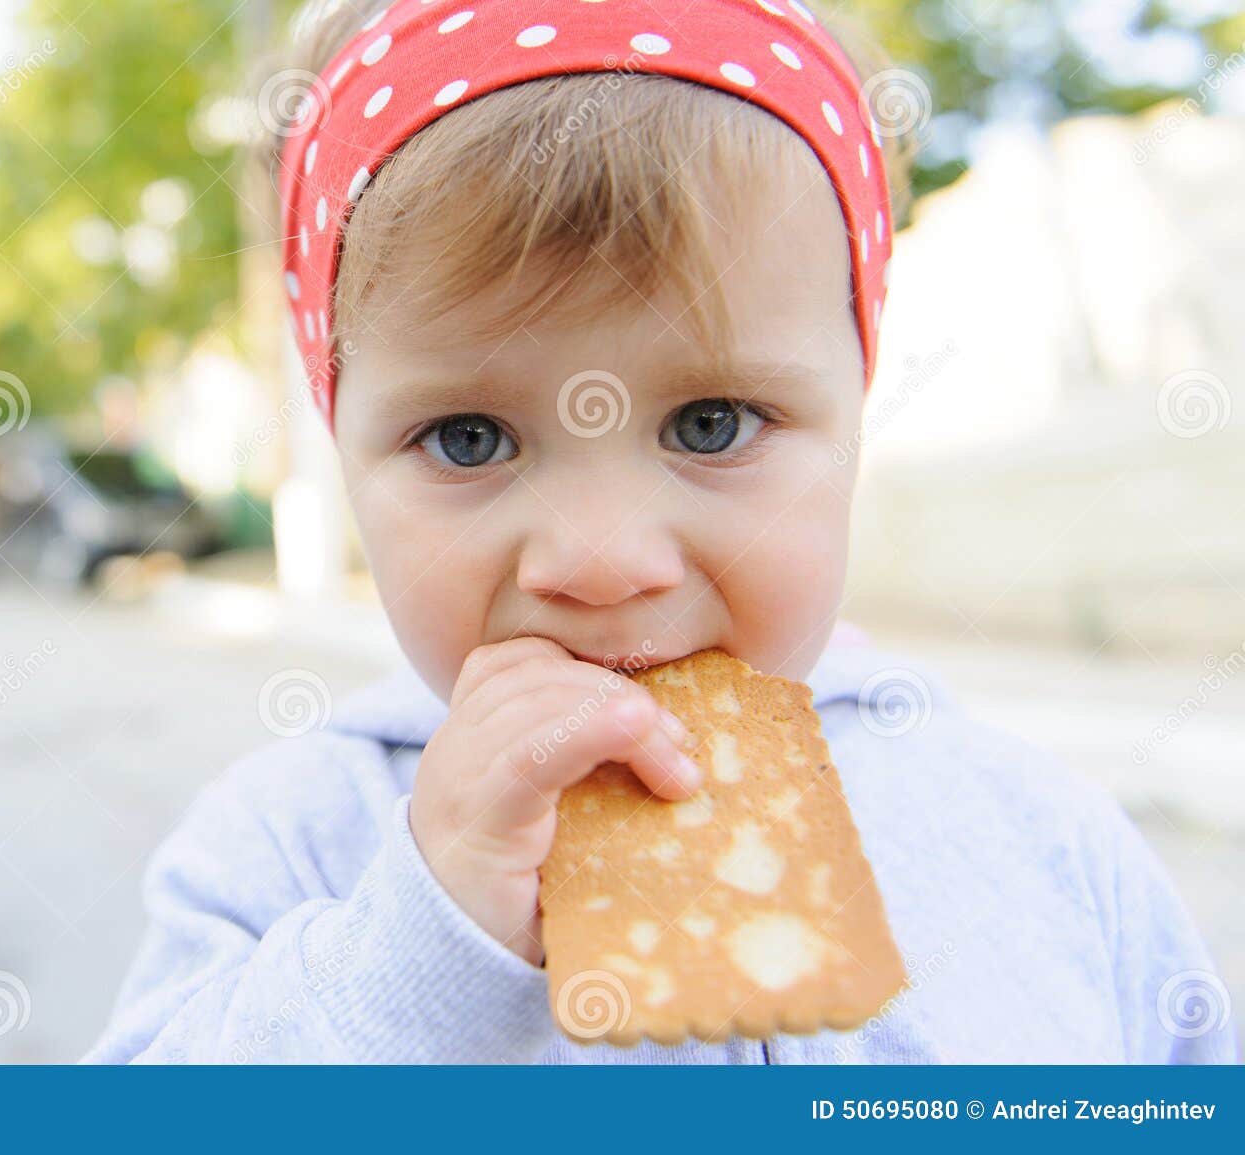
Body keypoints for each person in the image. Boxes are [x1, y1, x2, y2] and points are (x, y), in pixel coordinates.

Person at [84, 0, 1236, 1063]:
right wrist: (414, 945)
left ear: (855, 409)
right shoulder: (288, 843)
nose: (599, 561)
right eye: (470, 439)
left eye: (711, 421)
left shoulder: (1033, 835)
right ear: (344, 451)